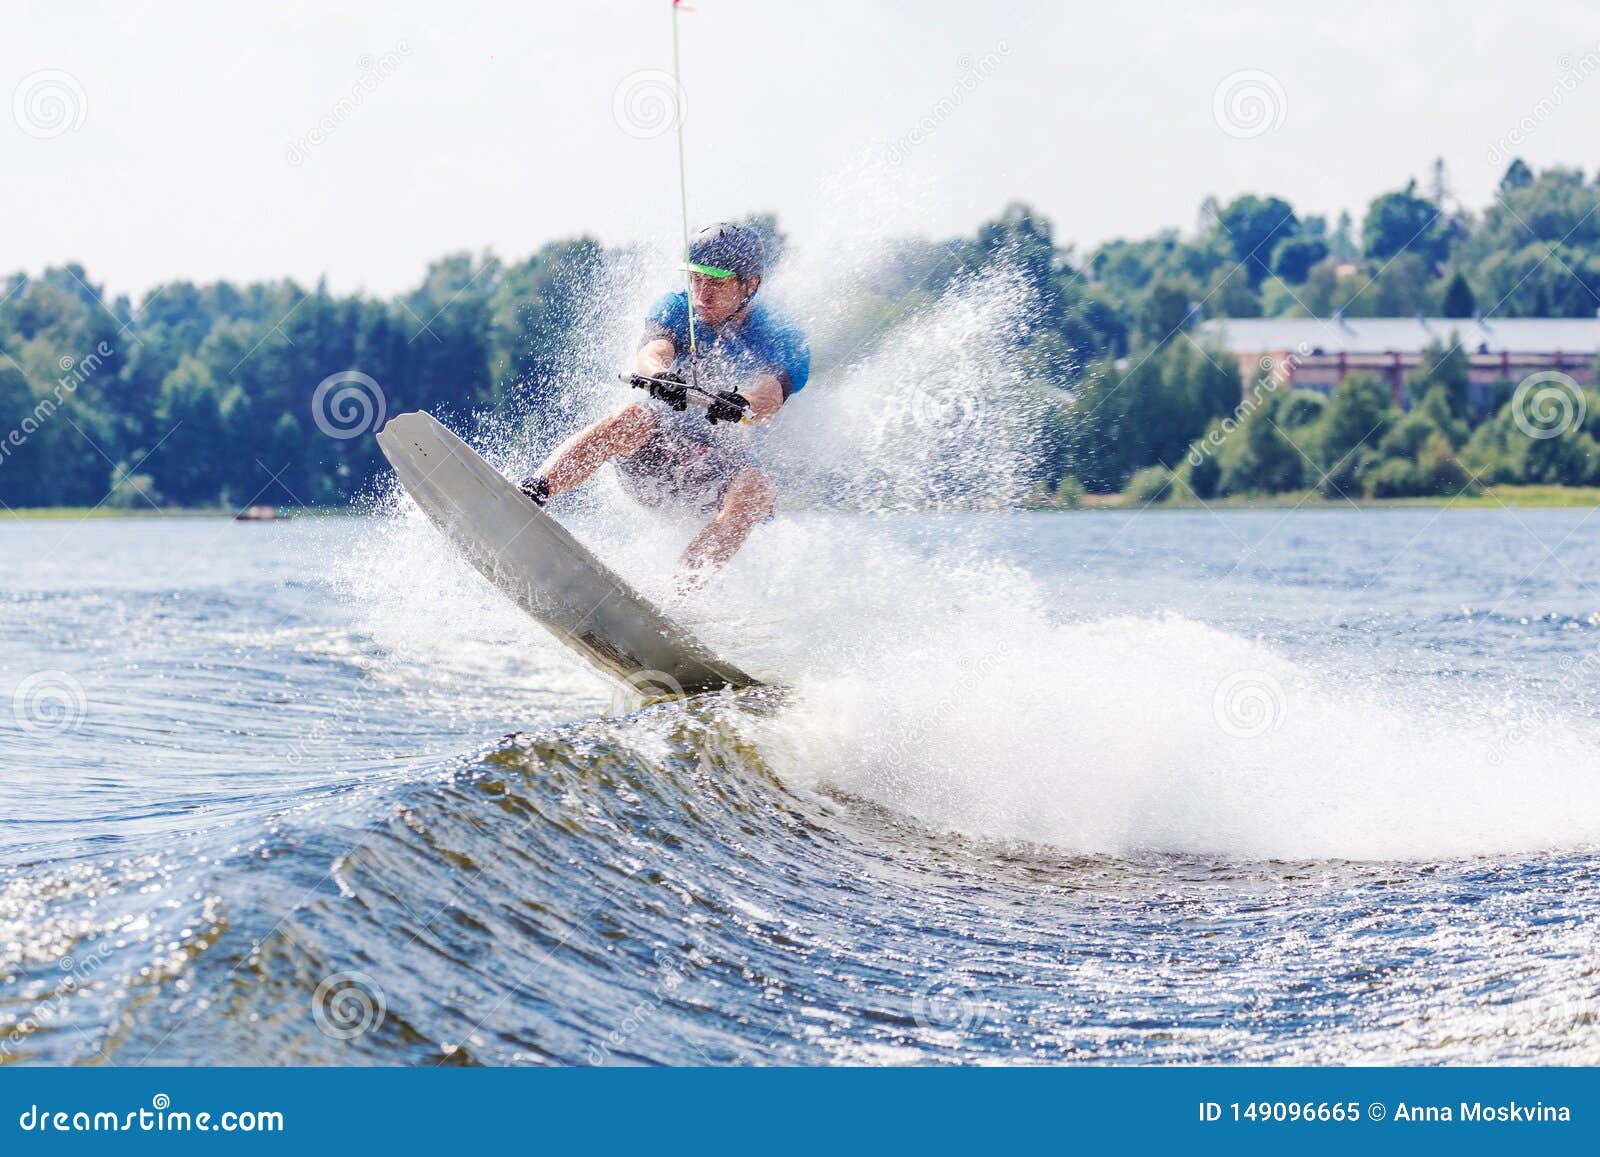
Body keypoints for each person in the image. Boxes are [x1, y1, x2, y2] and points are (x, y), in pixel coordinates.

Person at [517, 221, 810, 577]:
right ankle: (531, 493)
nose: (702, 296)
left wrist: (742, 403)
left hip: (717, 476)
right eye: (696, 280)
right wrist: (658, 376)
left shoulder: (782, 336)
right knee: (633, 417)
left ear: (750, 285)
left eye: (716, 283)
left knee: (757, 489)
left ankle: (680, 592)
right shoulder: (675, 308)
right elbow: (653, 351)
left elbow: (769, 394)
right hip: (656, 459)